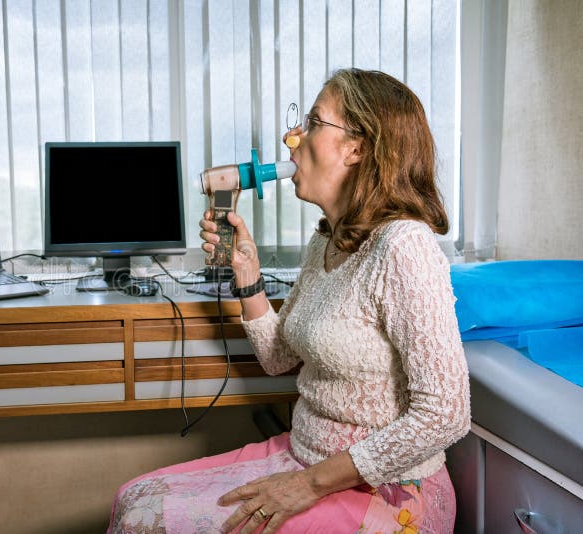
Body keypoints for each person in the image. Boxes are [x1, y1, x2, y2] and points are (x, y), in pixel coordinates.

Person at [108, 68, 470, 534]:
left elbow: (446, 415)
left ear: (357, 148)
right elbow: (278, 358)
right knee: (133, 498)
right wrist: (247, 273)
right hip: (303, 457)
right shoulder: (326, 242)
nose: (291, 138)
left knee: (148, 523)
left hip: (388, 494)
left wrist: (308, 485)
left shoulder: (403, 246)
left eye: (313, 122)